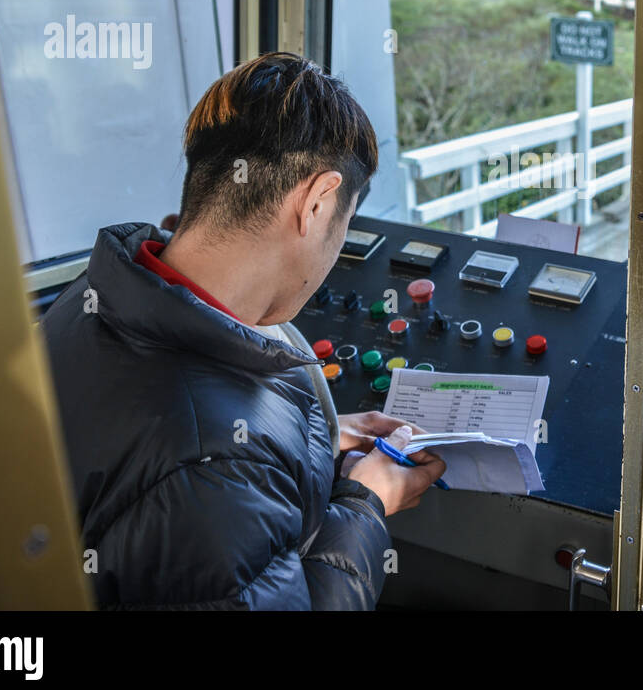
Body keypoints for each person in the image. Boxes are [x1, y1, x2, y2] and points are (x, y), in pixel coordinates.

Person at [41, 52, 445, 609]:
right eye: (343, 228)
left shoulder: (89, 300)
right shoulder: (222, 467)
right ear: (317, 201)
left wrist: (314, 440)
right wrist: (364, 504)